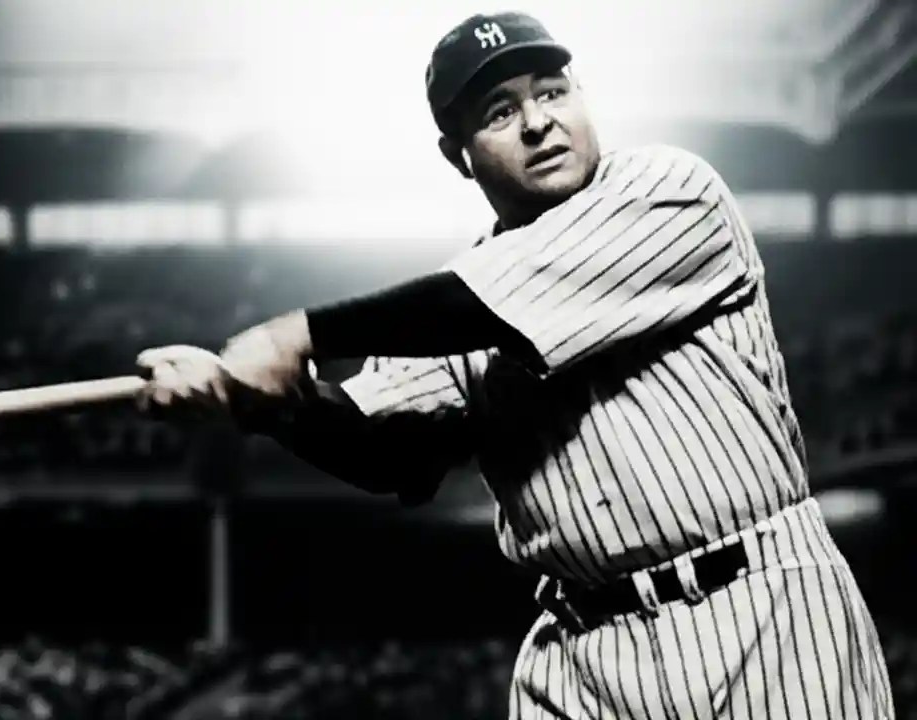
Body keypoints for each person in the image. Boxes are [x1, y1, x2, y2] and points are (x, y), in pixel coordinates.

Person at [136, 10, 894, 719]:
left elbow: (487, 305)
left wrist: (296, 334)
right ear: (456, 155)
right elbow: (393, 456)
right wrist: (265, 405)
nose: (538, 122)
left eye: (553, 91)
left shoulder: (669, 190)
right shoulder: (461, 294)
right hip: (586, 651)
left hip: (763, 609)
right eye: (500, 111)